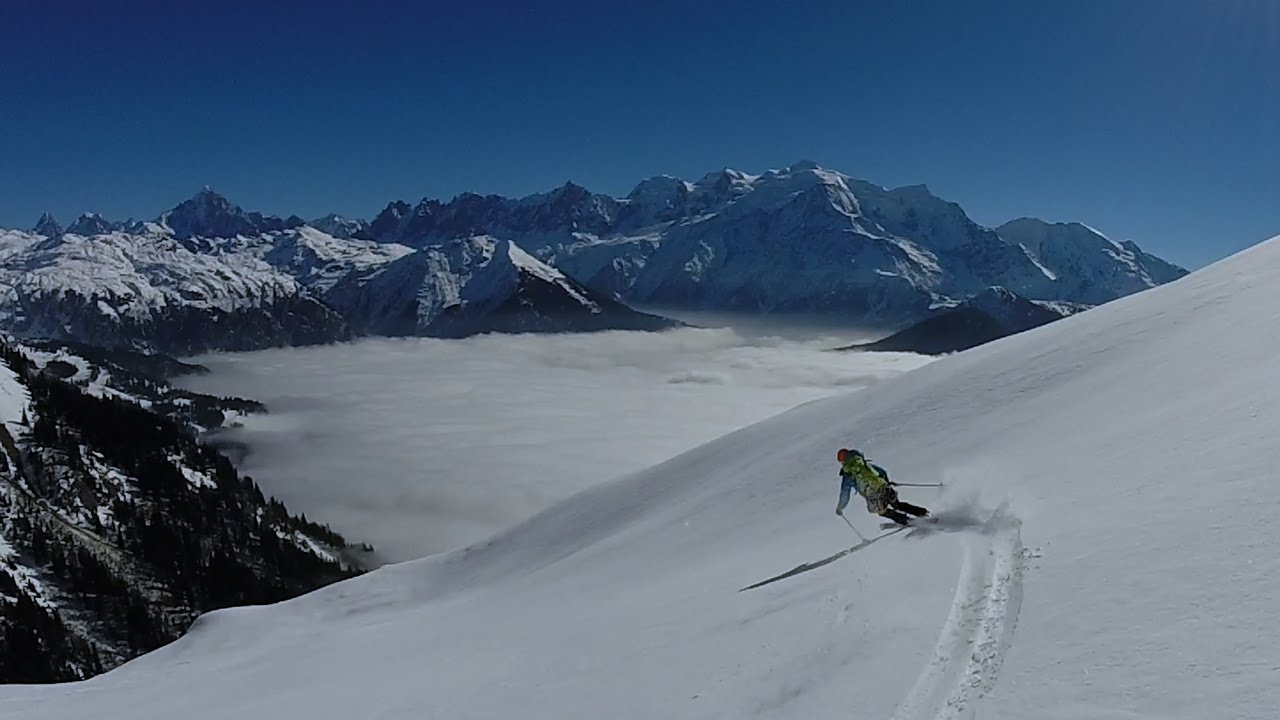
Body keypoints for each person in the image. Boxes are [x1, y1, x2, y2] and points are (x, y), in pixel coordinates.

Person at [835, 448, 929, 526]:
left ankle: (906, 520)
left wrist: (840, 508)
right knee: (896, 504)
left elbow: (845, 493)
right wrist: (886, 482)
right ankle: (922, 512)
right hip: (882, 486)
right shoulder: (863, 464)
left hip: (873, 496)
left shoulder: (848, 474)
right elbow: (881, 472)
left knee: (882, 511)